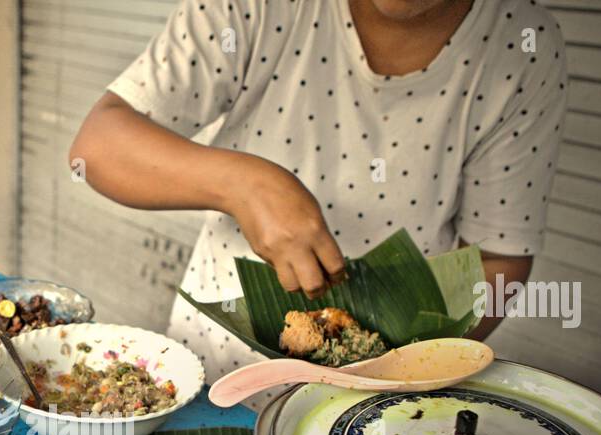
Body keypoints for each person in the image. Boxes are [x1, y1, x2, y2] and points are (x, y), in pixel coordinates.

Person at [70, 0, 568, 381]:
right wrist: (241, 184)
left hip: (383, 393)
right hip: (217, 370)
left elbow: (500, 256)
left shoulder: (522, 44)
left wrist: (404, 370)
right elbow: (97, 148)